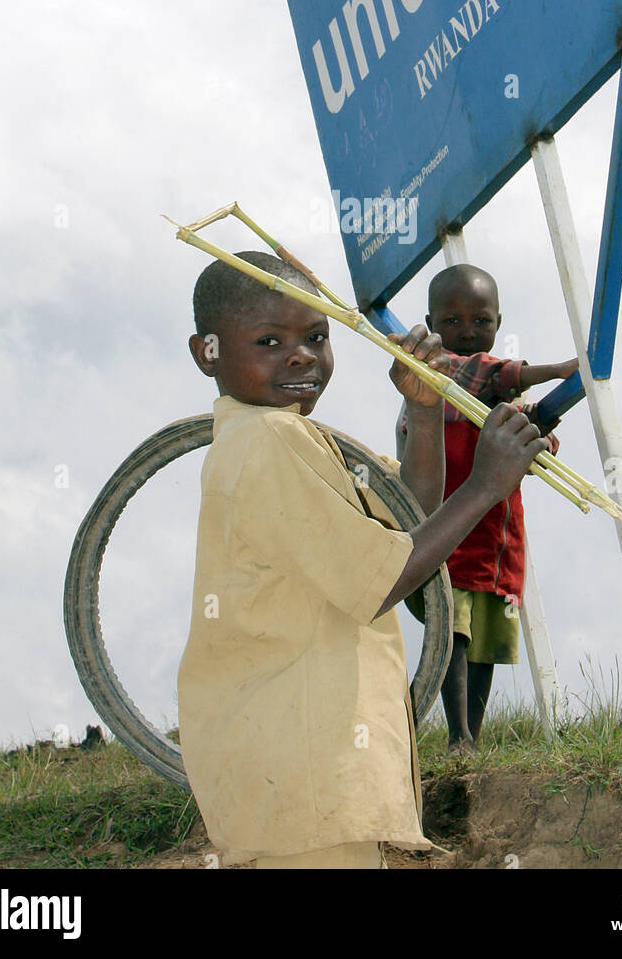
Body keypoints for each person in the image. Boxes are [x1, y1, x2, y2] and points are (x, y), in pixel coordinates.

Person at [176, 250, 547, 869]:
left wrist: (425, 414)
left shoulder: (288, 435)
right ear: (207, 352)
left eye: (316, 337)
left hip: (306, 788)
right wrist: (484, 486)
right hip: (307, 779)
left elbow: (405, 521)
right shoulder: (270, 441)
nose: (301, 356)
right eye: (270, 340)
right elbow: (384, 580)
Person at [401, 263, 578, 752]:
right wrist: (559, 372)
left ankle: (471, 738)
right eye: (451, 321)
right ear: (431, 323)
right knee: (453, 633)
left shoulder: (500, 401)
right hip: (447, 533)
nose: (465, 333)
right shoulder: (437, 376)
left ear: (499, 321)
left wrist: (539, 432)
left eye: (480, 321)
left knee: (484, 643)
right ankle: (457, 735)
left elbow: (527, 429)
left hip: (497, 541)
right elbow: (494, 372)